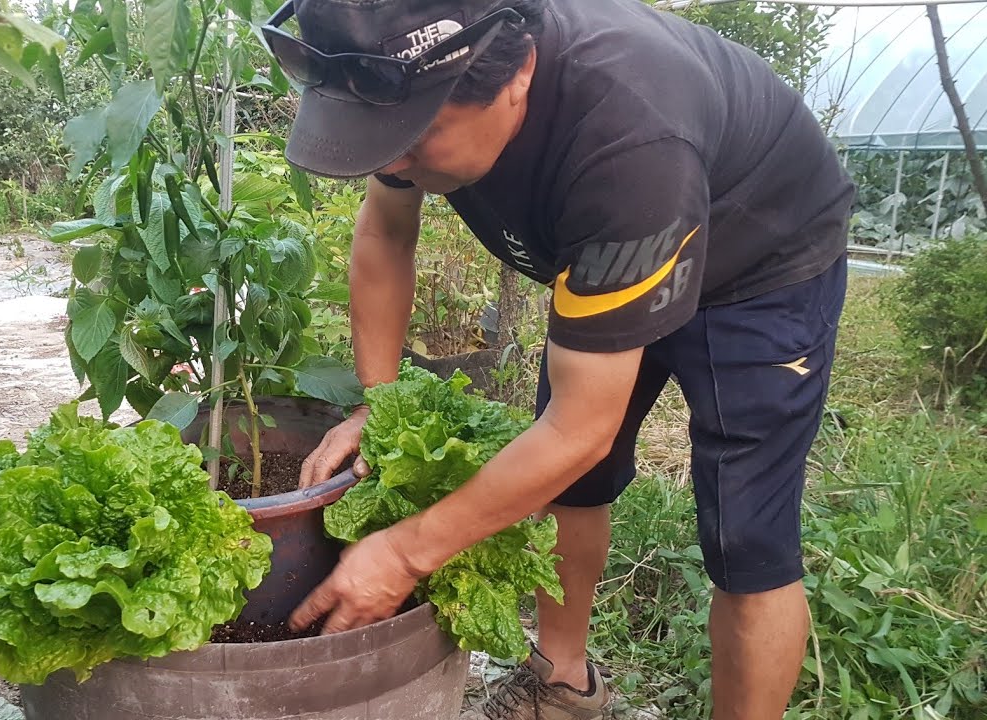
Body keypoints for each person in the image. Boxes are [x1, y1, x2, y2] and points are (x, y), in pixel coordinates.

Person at [265, 0, 855, 717]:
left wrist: (403, 552)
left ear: (518, 76)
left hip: (758, 261)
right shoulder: (407, 85)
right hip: (609, 248)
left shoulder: (628, 138)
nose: (391, 161)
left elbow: (582, 427)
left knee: (746, 537)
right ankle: (563, 681)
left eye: (414, 139)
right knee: (569, 486)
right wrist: (380, 405)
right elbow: (386, 237)